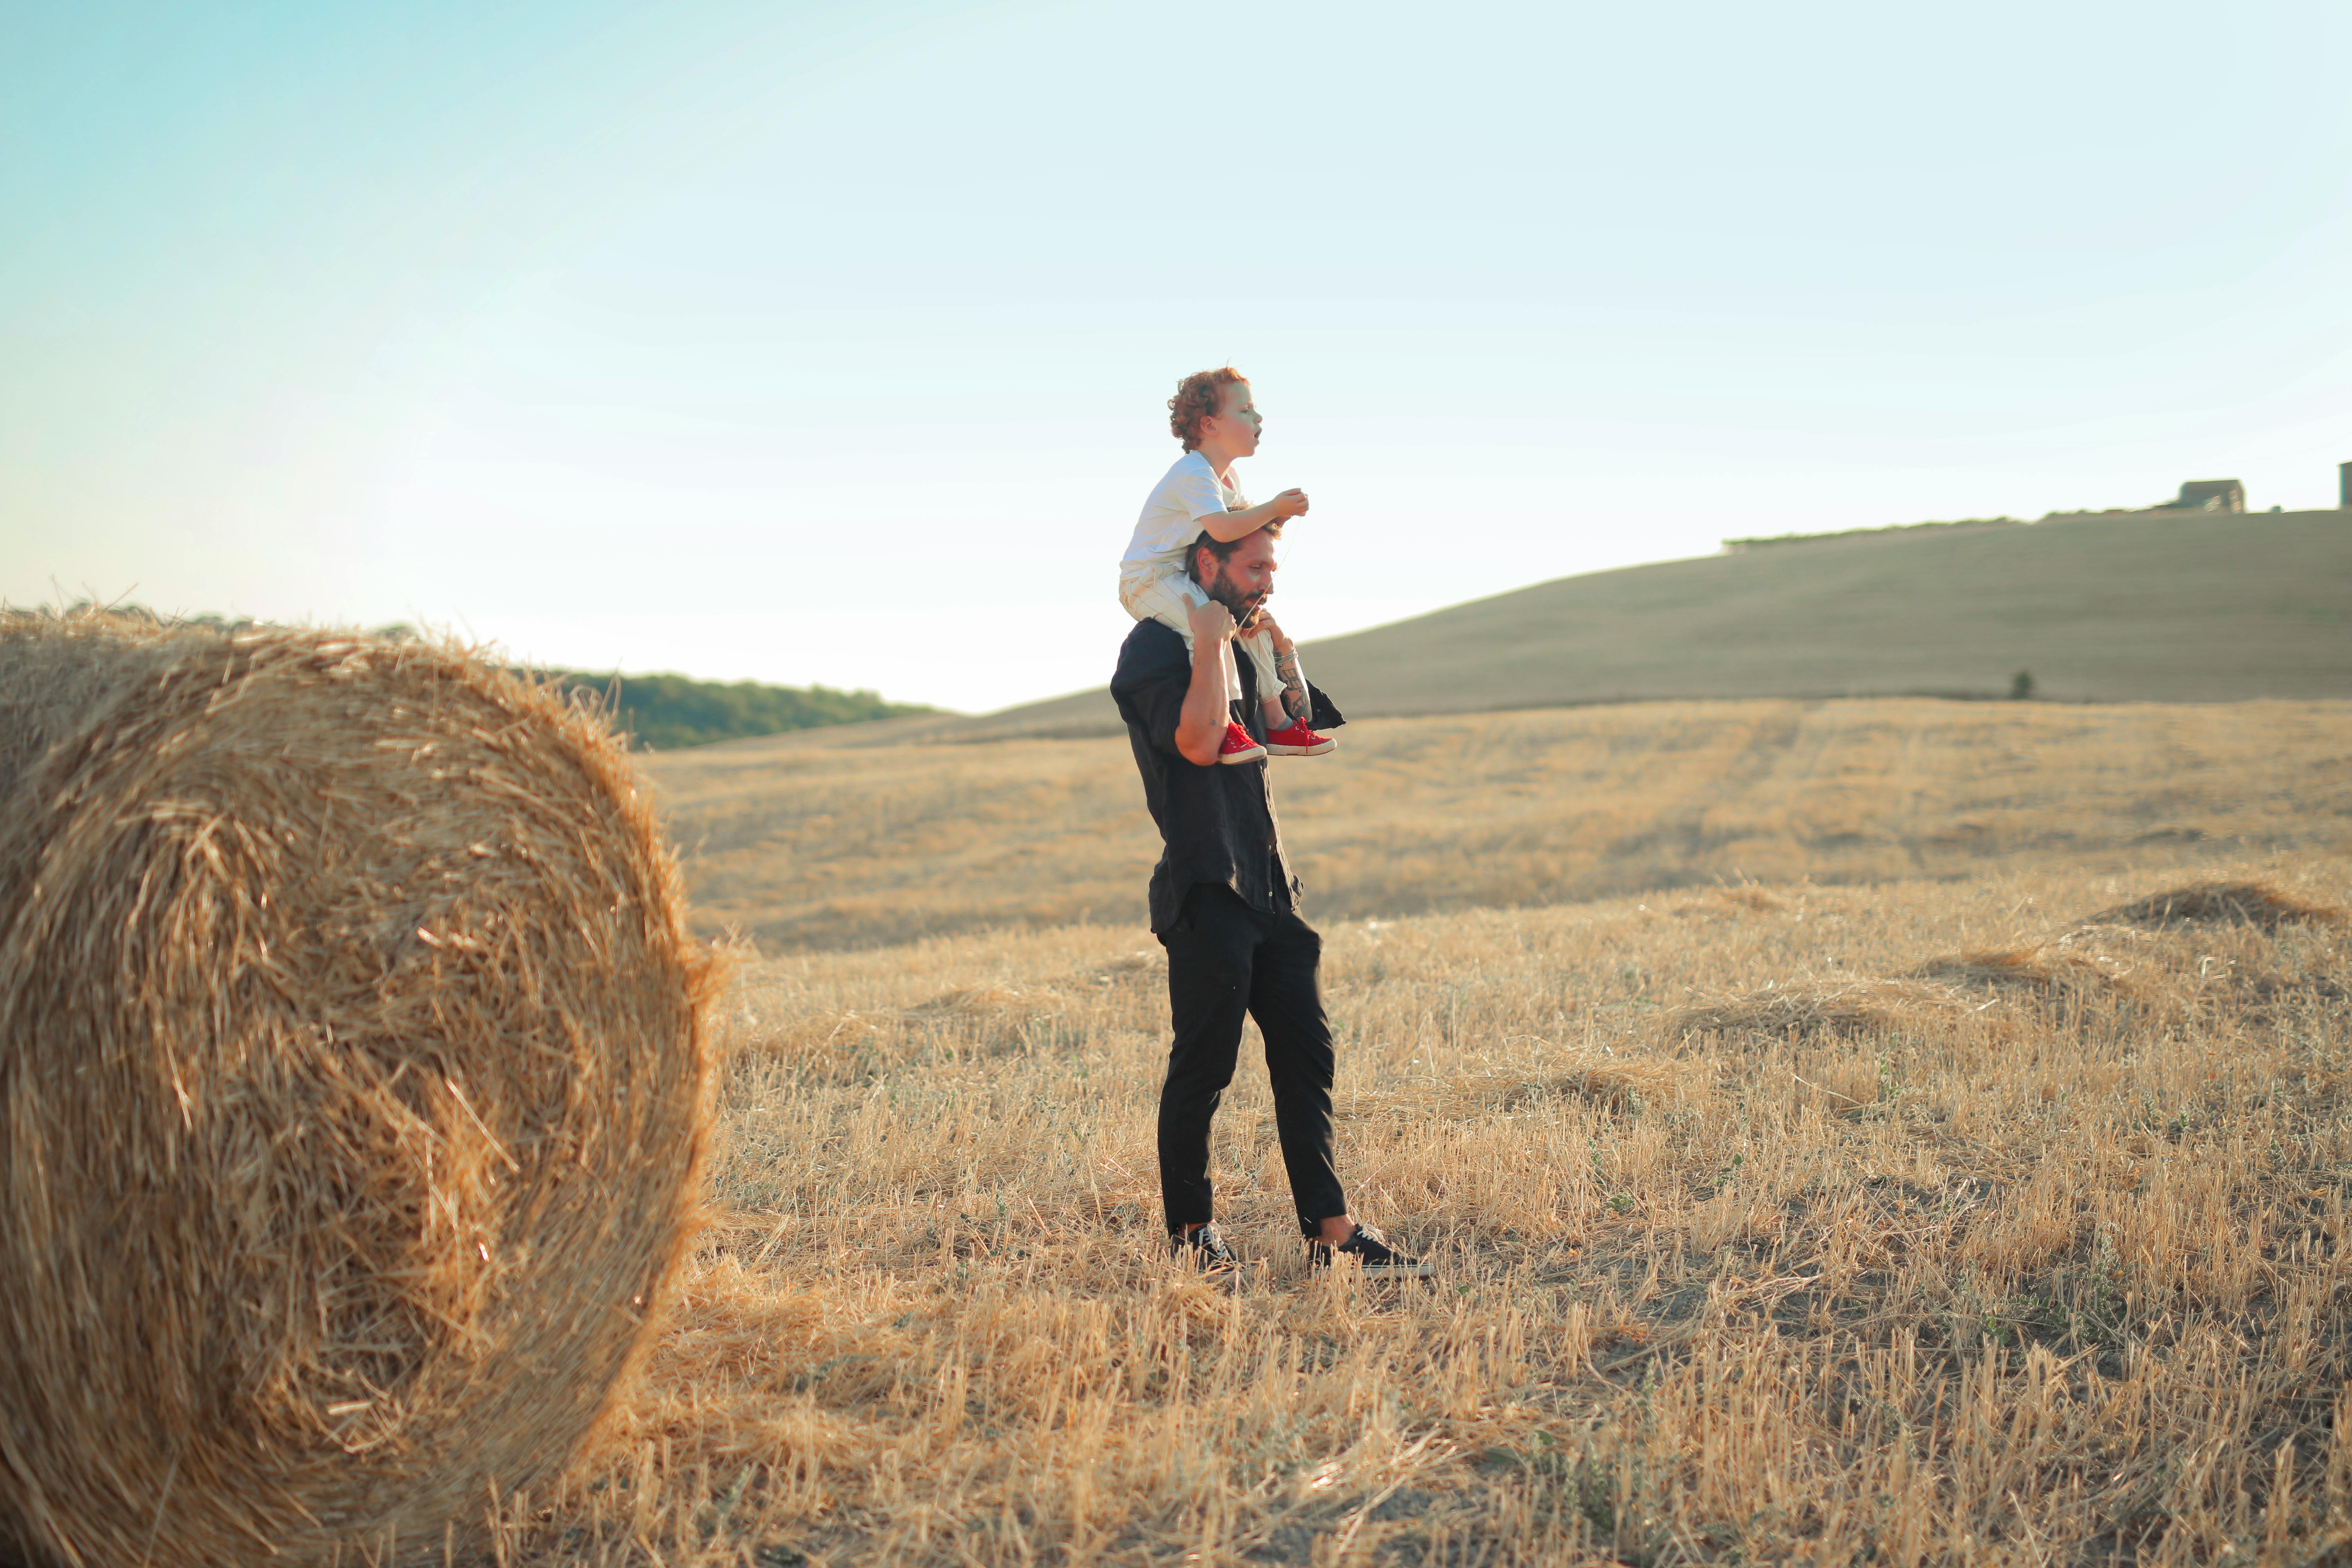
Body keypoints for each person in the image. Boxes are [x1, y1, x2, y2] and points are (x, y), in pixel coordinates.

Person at [1108, 523, 1427, 1279]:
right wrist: (1211, 642)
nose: (1268, 583)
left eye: (1273, 569)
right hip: (1206, 887)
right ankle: (1192, 1235)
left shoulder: (1241, 644)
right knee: (1206, 1069)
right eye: (1256, 568)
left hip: (1272, 889)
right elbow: (1195, 742)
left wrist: (1275, 648)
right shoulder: (1155, 650)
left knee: (1306, 1057)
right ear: (1207, 563)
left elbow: (1298, 728)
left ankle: (1334, 1236)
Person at [1119, 368, 1337, 764]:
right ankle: (1228, 723)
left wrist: (1279, 518)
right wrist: (1272, 507)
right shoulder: (1193, 472)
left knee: (1248, 620)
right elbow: (1221, 530)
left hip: (1182, 575)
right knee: (1207, 628)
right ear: (1209, 424)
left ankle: (1277, 720)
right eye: (1247, 410)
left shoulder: (1228, 477)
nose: (1259, 419)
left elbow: (1239, 535)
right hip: (1148, 580)